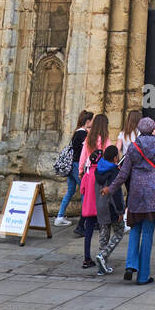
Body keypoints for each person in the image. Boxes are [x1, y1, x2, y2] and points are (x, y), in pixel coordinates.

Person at [106, 116, 155, 285]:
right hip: (152, 192)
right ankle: (143, 276)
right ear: (152, 129)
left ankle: (130, 265)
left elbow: (123, 173)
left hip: (136, 191)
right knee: (148, 233)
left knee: (135, 227)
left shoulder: (133, 147)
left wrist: (111, 189)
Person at [78, 112, 110, 255]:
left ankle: (86, 256)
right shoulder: (105, 141)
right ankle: (102, 255)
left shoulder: (89, 139)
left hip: (89, 176)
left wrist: (81, 172)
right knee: (103, 218)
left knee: (89, 219)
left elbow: (83, 158)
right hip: (101, 179)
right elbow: (109, 159)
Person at [55, 110, 92, 226]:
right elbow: (81, 150)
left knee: (70, 191)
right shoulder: (82, 134)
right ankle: (84, 219)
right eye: (92, 120)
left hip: (71, 165)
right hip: (76, 165)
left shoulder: (78, 132)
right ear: (87, 121)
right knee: (84, 191)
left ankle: (60, 216)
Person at [93, 145, 126, 275]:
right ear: (114, 158)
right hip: (111, 206)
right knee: (119, 232)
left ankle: (101, 267)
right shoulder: (114, 172)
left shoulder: (98, 169)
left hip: (100, 206)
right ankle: (103, 255)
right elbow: (116, 193)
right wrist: (120, 211)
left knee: (104, 235)